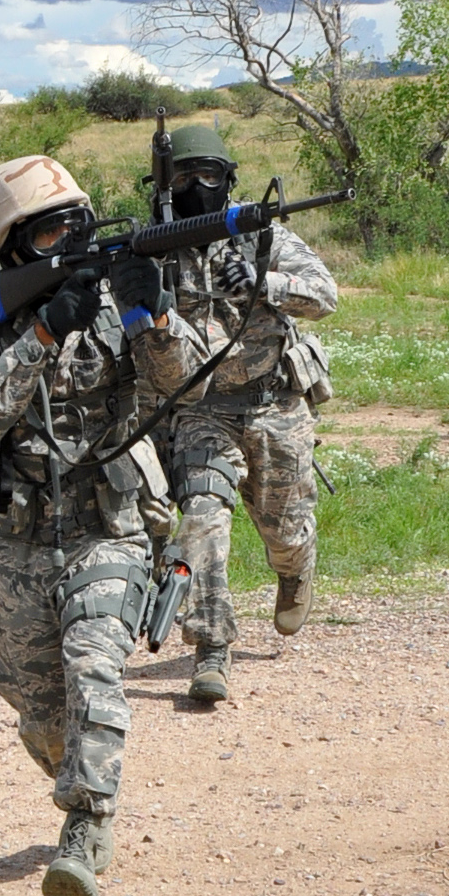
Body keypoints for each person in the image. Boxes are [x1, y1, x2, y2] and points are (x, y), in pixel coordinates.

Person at [0, 156, 205, 896]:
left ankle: (86, 830)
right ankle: (81, 775)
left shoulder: (112, 295)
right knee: (36, 707)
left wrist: (147, 315)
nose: (69, 238)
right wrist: (43, 331)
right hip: (16, 544)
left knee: (95, 667)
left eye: (75, 225)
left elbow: (176, 382)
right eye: (51, 229)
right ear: (12, 247)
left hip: (108, 527)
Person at [159, 125, 338, 703]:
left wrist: (268, 284)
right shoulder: (159, 249)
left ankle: (294, 567)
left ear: (229, 181)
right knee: (203, 520)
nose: (197, 187)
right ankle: (211, 646)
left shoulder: (263, 236)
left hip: (274, 401)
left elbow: (325, 296)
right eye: (184, 177)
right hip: (203, 409)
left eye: (209, 176)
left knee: (283, 529)